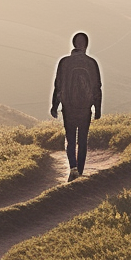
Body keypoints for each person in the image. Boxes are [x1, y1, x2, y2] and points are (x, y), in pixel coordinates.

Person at [50, 32, 102, 182]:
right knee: (83, 140)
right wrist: (97, 109)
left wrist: (54, 106)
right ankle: (80, 171)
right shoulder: (91, 63)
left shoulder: (64, 62)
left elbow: (58, 86)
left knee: (71, 140)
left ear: (73, 44)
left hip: (69, 107)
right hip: (85, 108)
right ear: (86, 45)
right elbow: (97, 88)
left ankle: (73, 168)